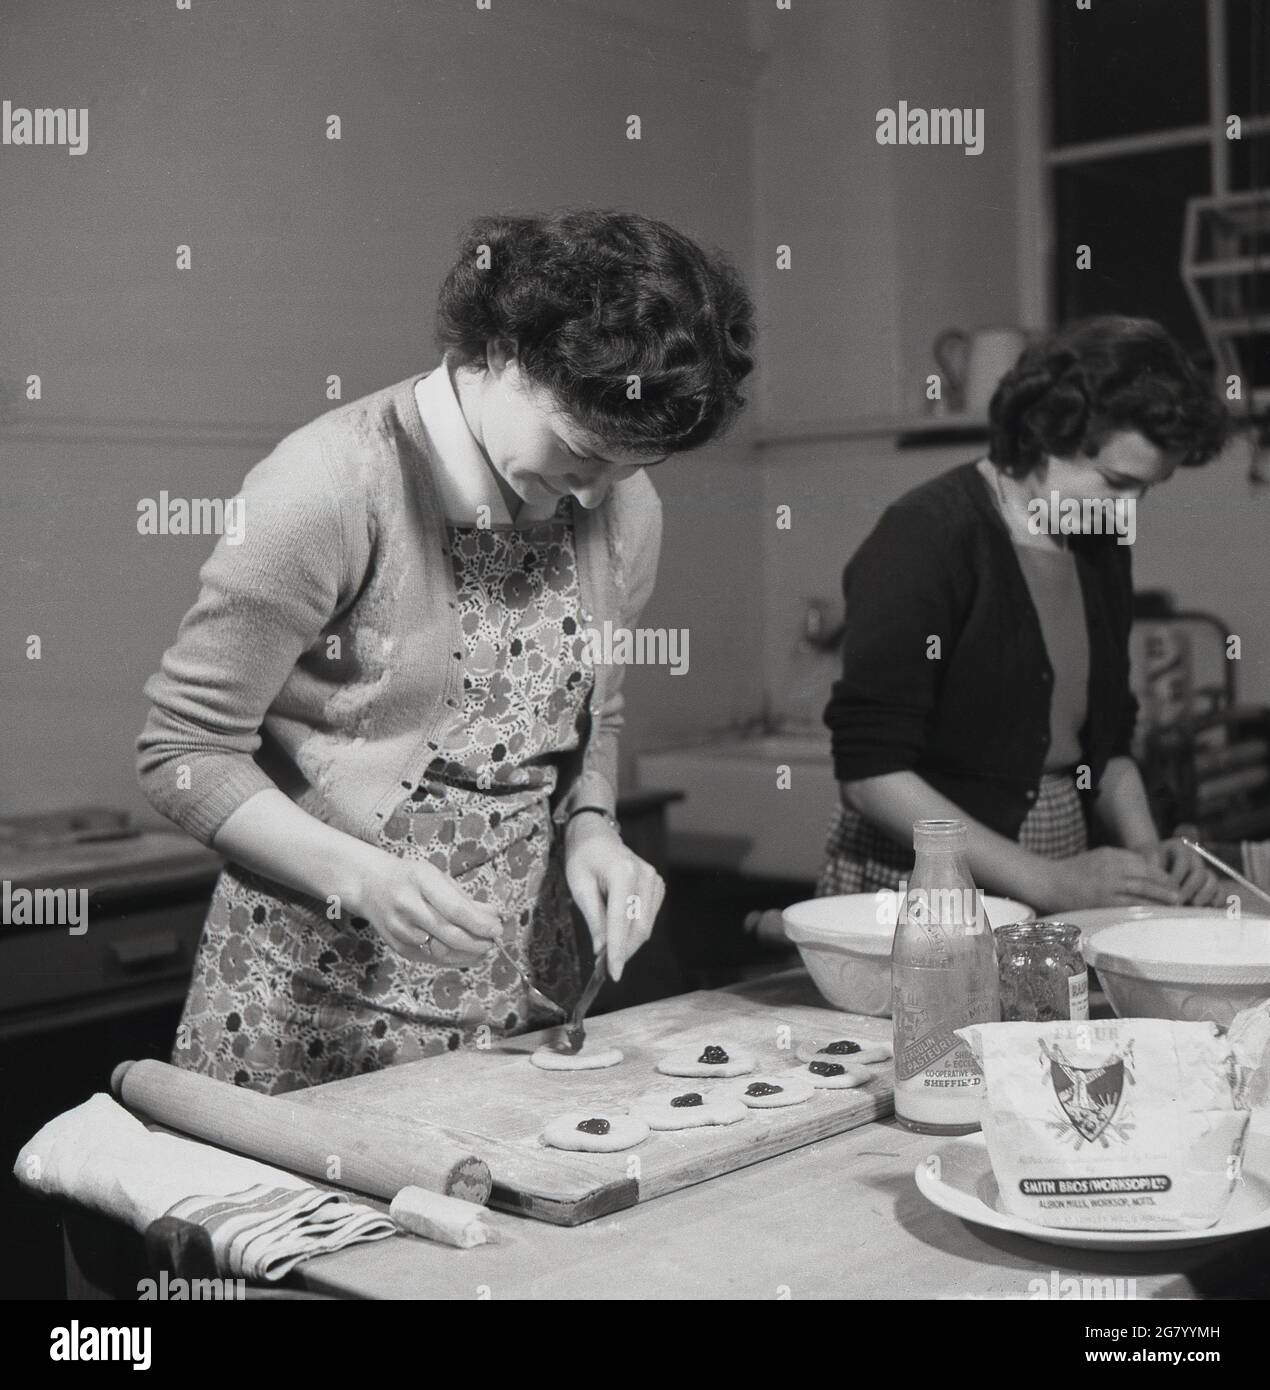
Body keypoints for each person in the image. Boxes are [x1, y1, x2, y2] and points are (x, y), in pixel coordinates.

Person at [138, 209, 754, 1093]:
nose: (593, 492)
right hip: (311, 999)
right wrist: (363, 877)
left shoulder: (623, 506)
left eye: (626, 467)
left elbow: (595, 713)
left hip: (510, 999)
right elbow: (182, 754)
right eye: (579, 453)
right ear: (503, 352)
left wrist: (593, 829)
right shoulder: (328, 485)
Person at [820, 315, 1228, 913]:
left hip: (1058, 864)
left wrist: (1148, 853)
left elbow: (1108, 740)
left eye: (1146, 490)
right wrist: (1046, 881)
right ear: (1044, 433)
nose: (1127, 512)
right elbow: (870, 775)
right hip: (922, 884)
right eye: (1115, 483)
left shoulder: (1098, 544)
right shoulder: (927, 536)